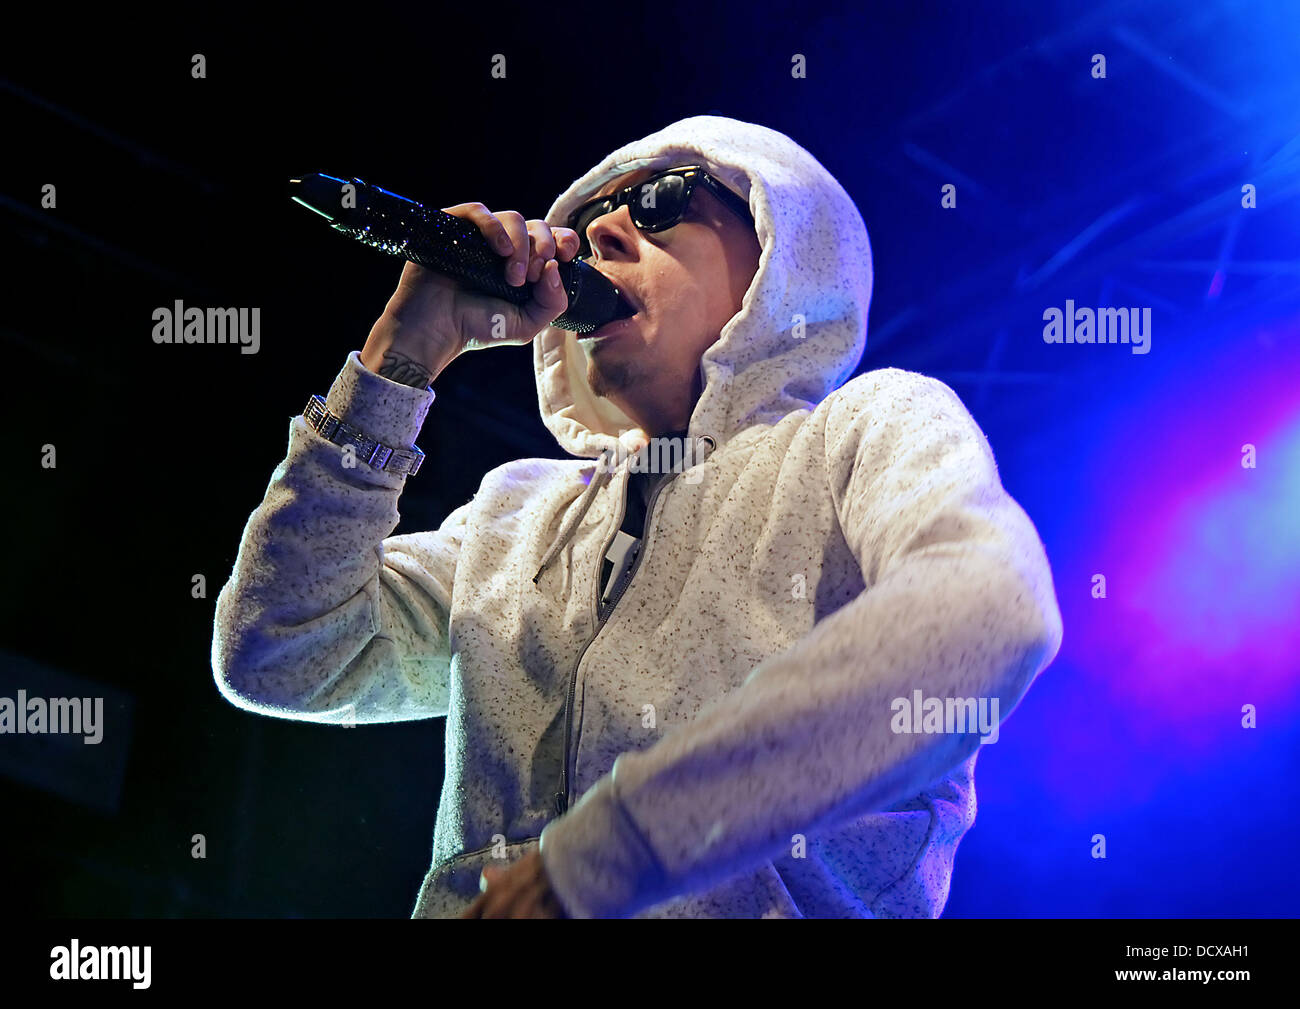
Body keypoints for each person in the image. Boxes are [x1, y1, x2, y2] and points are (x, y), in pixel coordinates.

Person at [211, 114, 1063, 919]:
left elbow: (989, 612)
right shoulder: (518, 514)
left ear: (783, 254)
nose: (606, 233)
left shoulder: (862, 434)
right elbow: (282, 651)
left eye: (663, 203)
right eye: (593, 216)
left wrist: (603, 856)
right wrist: (402, 359)